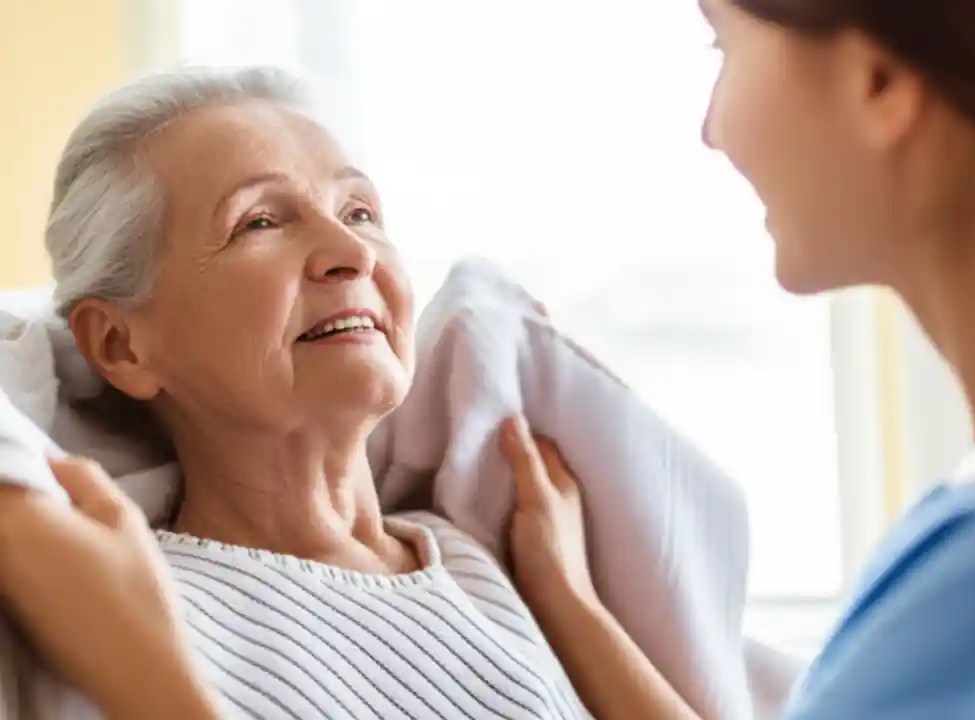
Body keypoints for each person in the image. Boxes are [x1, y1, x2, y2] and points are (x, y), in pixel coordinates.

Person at [3, 0, 975, 717]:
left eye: (724, 47)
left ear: (883, 83)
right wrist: (570, 602)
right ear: (118, 343)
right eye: (262, 221)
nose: (711, 125)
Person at [0, 68, 590, 719]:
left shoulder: (468, 562)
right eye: (258, 222)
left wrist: (569, 599)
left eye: (359, 211)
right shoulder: (117, 619)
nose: (351, 252)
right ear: (120, 346)